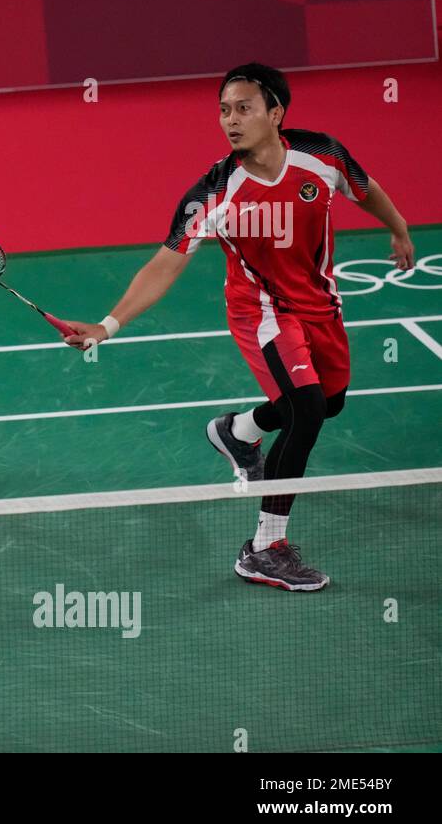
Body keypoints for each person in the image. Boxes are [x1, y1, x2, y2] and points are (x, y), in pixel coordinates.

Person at [61, 63, 415, 591]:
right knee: (309, 410)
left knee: (331, 401)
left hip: (320, 304)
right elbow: (166, 262)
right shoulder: (214, 191)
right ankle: (264, 548)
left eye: (244, 108)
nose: (231, 120)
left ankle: (238, 430)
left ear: (276, 113)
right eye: (224, 110)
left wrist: (400, 228)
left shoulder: (322, 155)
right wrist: (107, 326)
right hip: (261, 312)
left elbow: (365, 189)